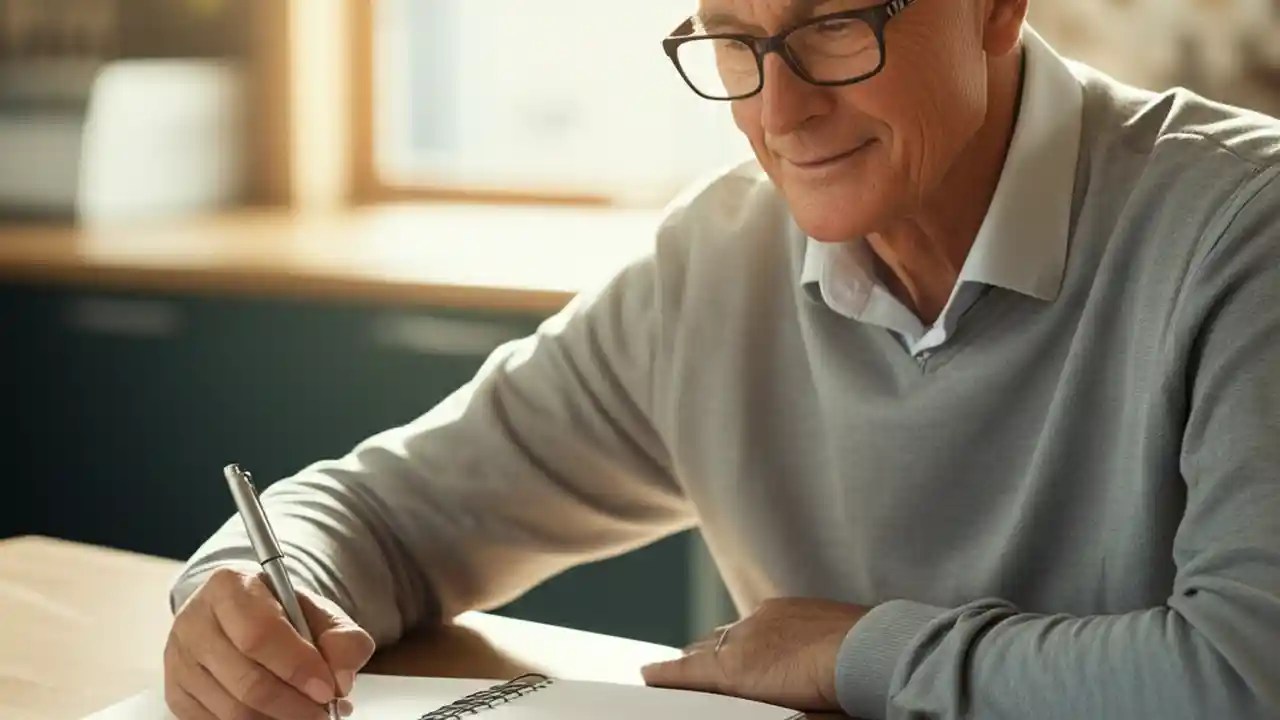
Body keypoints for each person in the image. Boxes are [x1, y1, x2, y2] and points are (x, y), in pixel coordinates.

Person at [162, 0, 1280, 718]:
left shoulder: (1244, 229)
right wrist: (244, 594)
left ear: (994, 7)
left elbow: (1244, 675)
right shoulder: (719, 256)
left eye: (835, 23)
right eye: (732, 39)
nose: (779, 108)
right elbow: (386, 514)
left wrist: (851, 654)